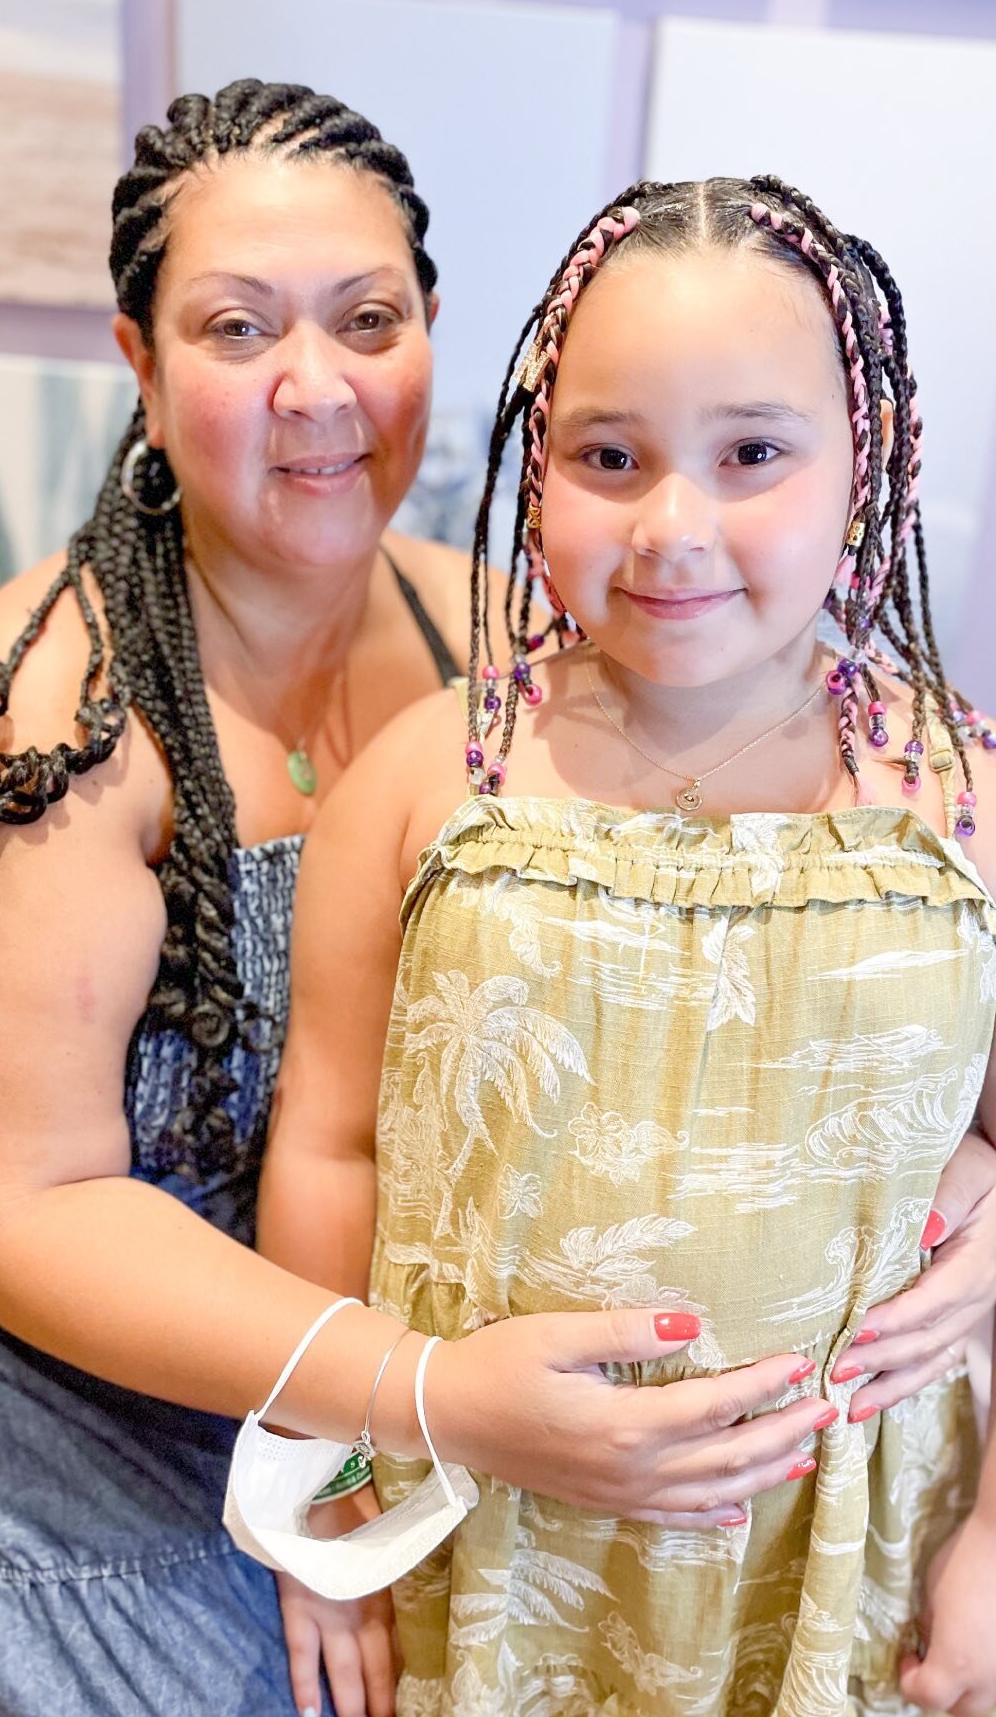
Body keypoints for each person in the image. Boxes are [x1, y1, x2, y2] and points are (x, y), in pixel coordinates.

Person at [259, 176, 996, 1717]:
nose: (672, 527)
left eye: (752, 455)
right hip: (487, 1527)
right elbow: (329, 1149)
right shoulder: (428, 779)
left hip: (848, 1547)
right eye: (611, 457)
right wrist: (322, 1486)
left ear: (867, 463)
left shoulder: (963, 801)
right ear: (539, 463)